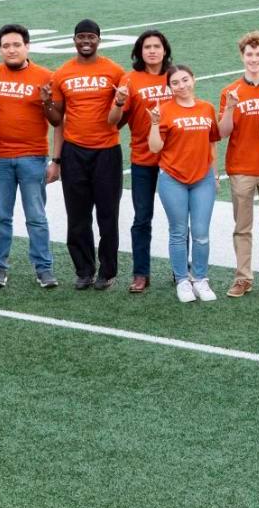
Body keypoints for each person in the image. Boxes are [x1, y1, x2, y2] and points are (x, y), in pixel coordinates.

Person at [0, 24, 58, 289]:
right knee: (0, 216)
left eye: (16, 45)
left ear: (27, 46)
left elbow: (58, 120)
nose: (11, 50)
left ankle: (44, 268)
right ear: (0, 49)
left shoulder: (45, 76)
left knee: (36, 217)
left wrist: (56, 160)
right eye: (6, 46)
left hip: (33, 157)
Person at [46, 19, 126, 291]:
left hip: (107, 152)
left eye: (91, 37)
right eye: (81, 37)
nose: (86, 41)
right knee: (77, 215)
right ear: (74, 40)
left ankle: (108, 271)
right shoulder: (62, 73)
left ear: (99, 40)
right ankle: (84, 270)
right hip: (74, 152)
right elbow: (57, 119)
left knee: (108, 214)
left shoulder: (115, 71)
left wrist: (108, 130)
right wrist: (46, 103)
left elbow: (123, 113)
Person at [218, 31, 259, 298]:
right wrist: (230, 107)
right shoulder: (229, 91)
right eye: (249, 54)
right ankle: (243, 277)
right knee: (242, 227)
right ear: (242, 56)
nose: (254, 59)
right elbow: (223, 132)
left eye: (258, 54)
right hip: (241, 167)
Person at [147, 64, 221, 304]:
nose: (181, 86)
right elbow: (155, 148)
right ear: (169, 87)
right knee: (178, 232)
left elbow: (212, 143)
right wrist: (154, 123)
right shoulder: (163, 110)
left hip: (203, 179)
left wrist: (215, 174)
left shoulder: (207, 108)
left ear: (194, 79)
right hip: (173, 178)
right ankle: (182, 280)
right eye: (175, 83)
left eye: (185, 80)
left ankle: (200, 278)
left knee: (201, 233)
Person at [106, 28, 173, 294]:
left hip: (174, 159)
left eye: (157, 46)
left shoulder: (175, 75)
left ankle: (183, 270)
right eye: (147, 47)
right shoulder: (130, 79)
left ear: (165, 50)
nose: (152, 51)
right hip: (143, 158)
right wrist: (119, 102)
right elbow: (113, 122)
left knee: (179, 219)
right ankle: (140, 273)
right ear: (139, 52)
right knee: (142, 218)